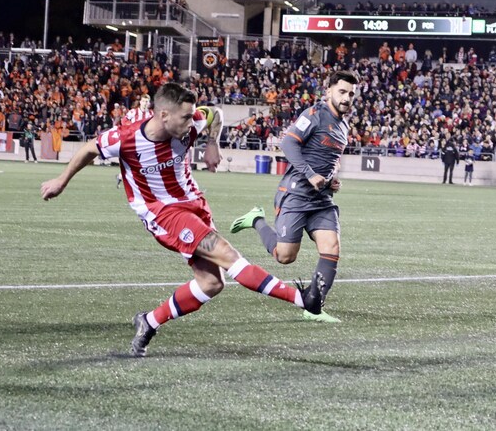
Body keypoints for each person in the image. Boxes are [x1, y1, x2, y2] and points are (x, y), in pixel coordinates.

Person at [40, 83, 323, 357]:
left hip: (194, 204)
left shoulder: (192, 121)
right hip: (163, 213)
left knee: (211, 283)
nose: (191, 123)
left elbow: (216, 115)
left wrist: (213, 143)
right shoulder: (124, 138)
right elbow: (89, 148)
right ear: (163, 115)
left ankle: (149, 321)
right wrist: (61, 180)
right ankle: (302, 299)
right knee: (228, 256)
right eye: (185, 117)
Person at [230, 69, 359, 324]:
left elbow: (329, 158)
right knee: (285, 256)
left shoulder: (344, 125)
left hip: (321, 199)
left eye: (351, 94)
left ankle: (314, 307)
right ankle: (257, 220)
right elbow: (289, 143)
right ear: (329, 91)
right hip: (296, 193)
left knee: (331, 247)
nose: (346, 98)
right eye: (342, 91)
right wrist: (311, 174)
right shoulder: (314, 114)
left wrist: (330, 179)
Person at [116, 94, 154, 187]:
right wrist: (131, 129)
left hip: (145, 141)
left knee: (143, 162)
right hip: (134, 140)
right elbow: (124, 122)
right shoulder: (133, 112)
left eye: (147, 102)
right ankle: (126, 178)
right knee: (137, 162)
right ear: (140, 102)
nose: (145, 103)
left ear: (149, 103)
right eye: (143, 101)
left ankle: (121, 177)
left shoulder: (151, 114)